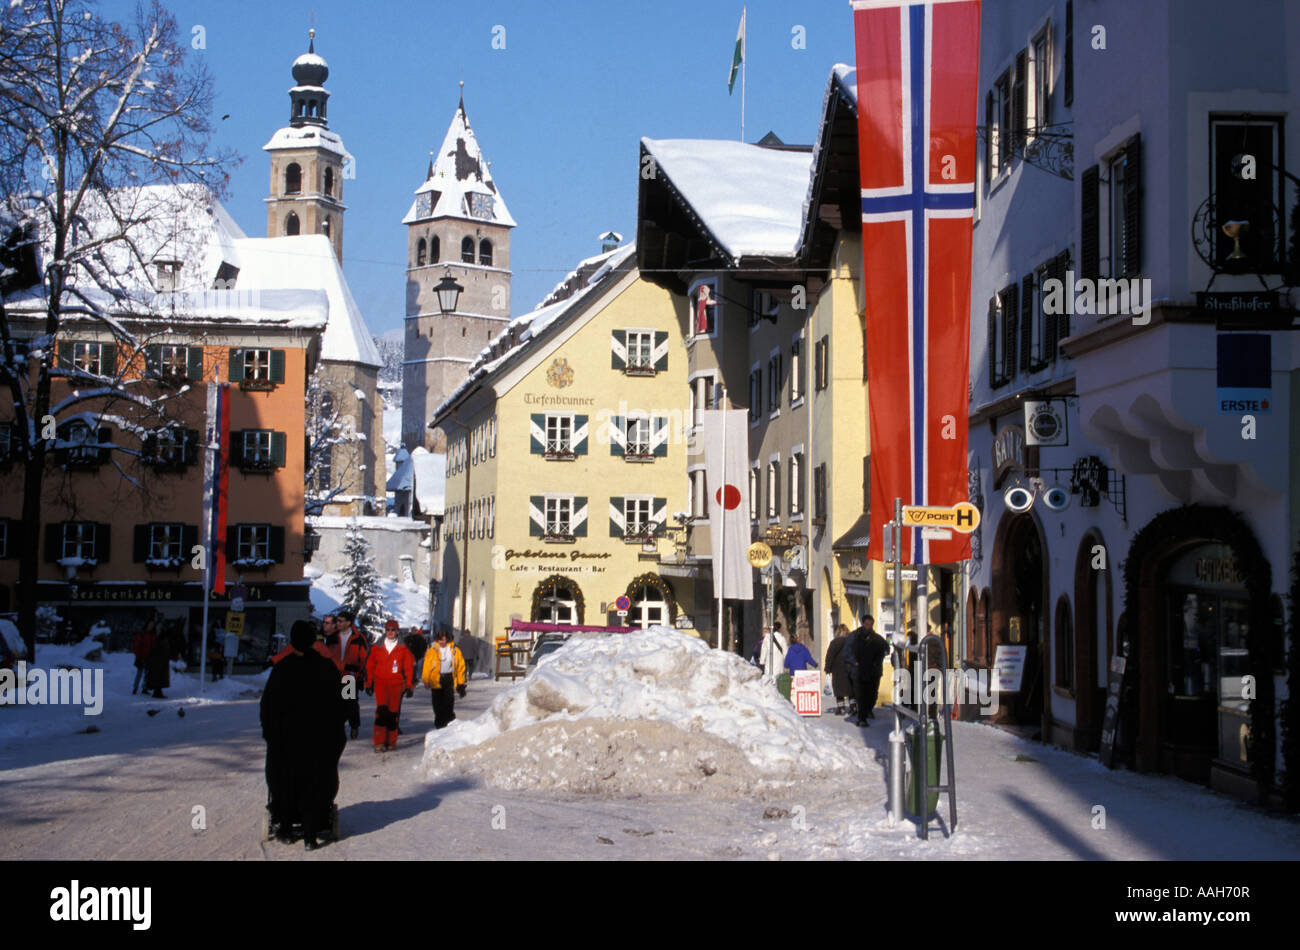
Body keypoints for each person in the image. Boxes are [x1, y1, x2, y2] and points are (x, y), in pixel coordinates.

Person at [260, 619, 347, 850]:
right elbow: (341, 702)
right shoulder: (327, 667)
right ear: (313, 640)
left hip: (286, 741)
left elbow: (267, 706)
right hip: (317, 740)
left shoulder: (281, 669)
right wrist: (341, 730)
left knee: (285, 782)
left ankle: (286, 827)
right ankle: (310, 833)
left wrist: (270, 734)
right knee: (314, 783)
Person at [365, 619, 415, 752]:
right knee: (381, 712)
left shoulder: (403, 648)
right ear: (385, 631)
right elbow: (370, 665)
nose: (390, 632)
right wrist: (368, 683)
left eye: (393, 630)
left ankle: (391, 741)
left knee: (393, 713)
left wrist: (410, 685)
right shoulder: (377, 646)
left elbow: (409, 668)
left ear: (397, 631)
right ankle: (379, 741)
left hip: (396, 684)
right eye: (388, 629)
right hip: (380, 683)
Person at [422, 626, 467, 729]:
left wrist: (461, 683)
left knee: (448, 702)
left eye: (443, 639)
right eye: (439, 639)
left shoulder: (454, 650)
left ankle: (448, 722)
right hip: (436, 678)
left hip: (449, 678)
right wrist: (426, 679)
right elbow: (427, 666)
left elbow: (460, 667)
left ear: (447, 639)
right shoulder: (432, 650)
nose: (441, 642)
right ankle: (439, 722)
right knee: (437, 704)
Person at [335, 609, 369, 740]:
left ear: (348, 623)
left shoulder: (358, 638)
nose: (337, 623)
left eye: (340, 621)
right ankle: (338, 727)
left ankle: (354, 725)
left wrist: (360, 673)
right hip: (334, 674)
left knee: (349, 703)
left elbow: (365, 657)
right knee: (335, 702)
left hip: (350, 676)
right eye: (337, 620)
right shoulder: (333, 636)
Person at [822, 624, 853, 714]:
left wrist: (827, 669)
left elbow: (830, 656)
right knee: (851, 689)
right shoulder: (852, 642)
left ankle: (841, 708)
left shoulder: (834, 643)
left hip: (838, 669)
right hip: (850, 667)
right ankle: (853, 707)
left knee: (839, 690)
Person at [131, 618, 157, 695]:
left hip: (149, 657)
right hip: (141, 656)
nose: (151, 626)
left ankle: (144, 688)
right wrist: (138, 655)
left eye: (152, 625)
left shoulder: (152, 635)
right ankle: (135, 687)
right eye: (150, 625)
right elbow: (136, 645)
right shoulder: (142, 634)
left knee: (147, 673)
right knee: (140, 672)